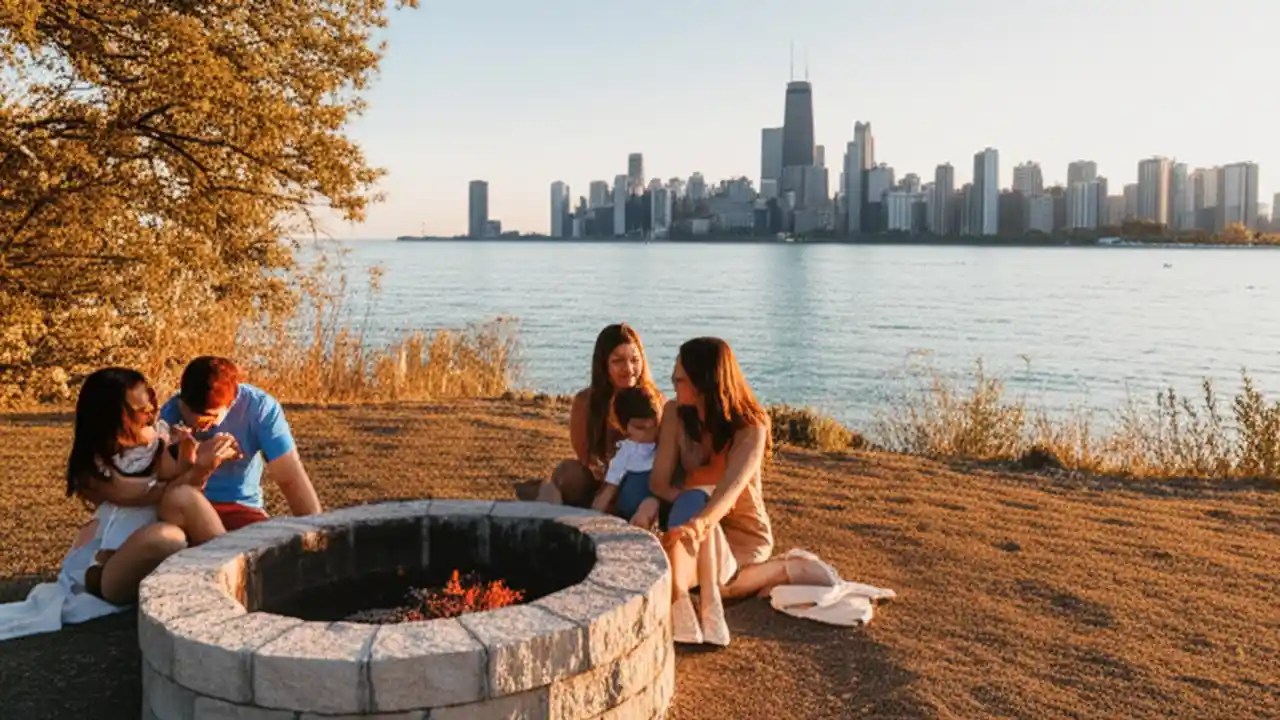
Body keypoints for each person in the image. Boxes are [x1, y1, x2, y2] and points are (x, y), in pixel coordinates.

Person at [649, 337, 840, 645]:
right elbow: (658, 482)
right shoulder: (674, 413)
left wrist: (701, 521)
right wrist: (692, 511)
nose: (672, 382)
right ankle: (684, 603)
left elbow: (731, 488)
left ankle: (777, 570)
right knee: (679, 565)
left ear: (704, 382)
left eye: (680, 378)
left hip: (741, 532)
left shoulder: (751, 425)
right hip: (691, 517)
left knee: (717, 575)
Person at [66, 368, 241, 605]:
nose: (151, 414)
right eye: (140, 411)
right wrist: (203, 468)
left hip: (154, 547)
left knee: (184, 497)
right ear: (112, 419)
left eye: (151, 403)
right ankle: (228, 571)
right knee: (167, 537)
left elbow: (177, 474)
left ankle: (236, 571)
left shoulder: (154, 444)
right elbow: (143, 495)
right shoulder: (96, 469)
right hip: (112, 564)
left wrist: (200, 450)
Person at [158, 356, 321, 530]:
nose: (199, 425)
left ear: (231, 404)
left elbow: (290, 477)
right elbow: (161, 488)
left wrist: (316, 533)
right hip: (187, 508)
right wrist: (195, 459)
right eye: (189, 413)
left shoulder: (260, 409)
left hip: (239, 507)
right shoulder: (171, 413)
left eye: (208, 420)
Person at [529, 324, 662, 507]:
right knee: (568, 473)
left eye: (634, 360)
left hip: (641, 478)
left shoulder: (655, 400)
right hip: (600, 479)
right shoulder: (585, 402)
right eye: (618, 361)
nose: (629, 369)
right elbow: (585, 454)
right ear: (603, 364)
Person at [592, 386, 661, 527]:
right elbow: (609, 489)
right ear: (625, 427)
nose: (649, 433)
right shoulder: (625, 453)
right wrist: (591, 519)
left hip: (655, 509)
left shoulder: (663, 445)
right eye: (640, 428)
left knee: (650, 504)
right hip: (627, 511)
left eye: (654, 426)